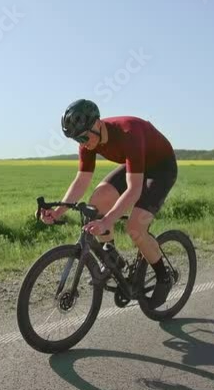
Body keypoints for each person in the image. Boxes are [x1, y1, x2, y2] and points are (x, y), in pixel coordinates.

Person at [39, 98, 179, 307]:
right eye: (77, 139)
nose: (82, 143)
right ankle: (112, 257)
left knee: (135, 228)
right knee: (98, 200)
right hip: (138, 164)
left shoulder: (128, 132)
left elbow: (134, 190)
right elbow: (82, 180)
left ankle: (163, 276)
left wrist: (106, 221)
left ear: (97, 124)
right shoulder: (88, 142)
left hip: (161, 169)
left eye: (83, 137)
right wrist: (58, 211)